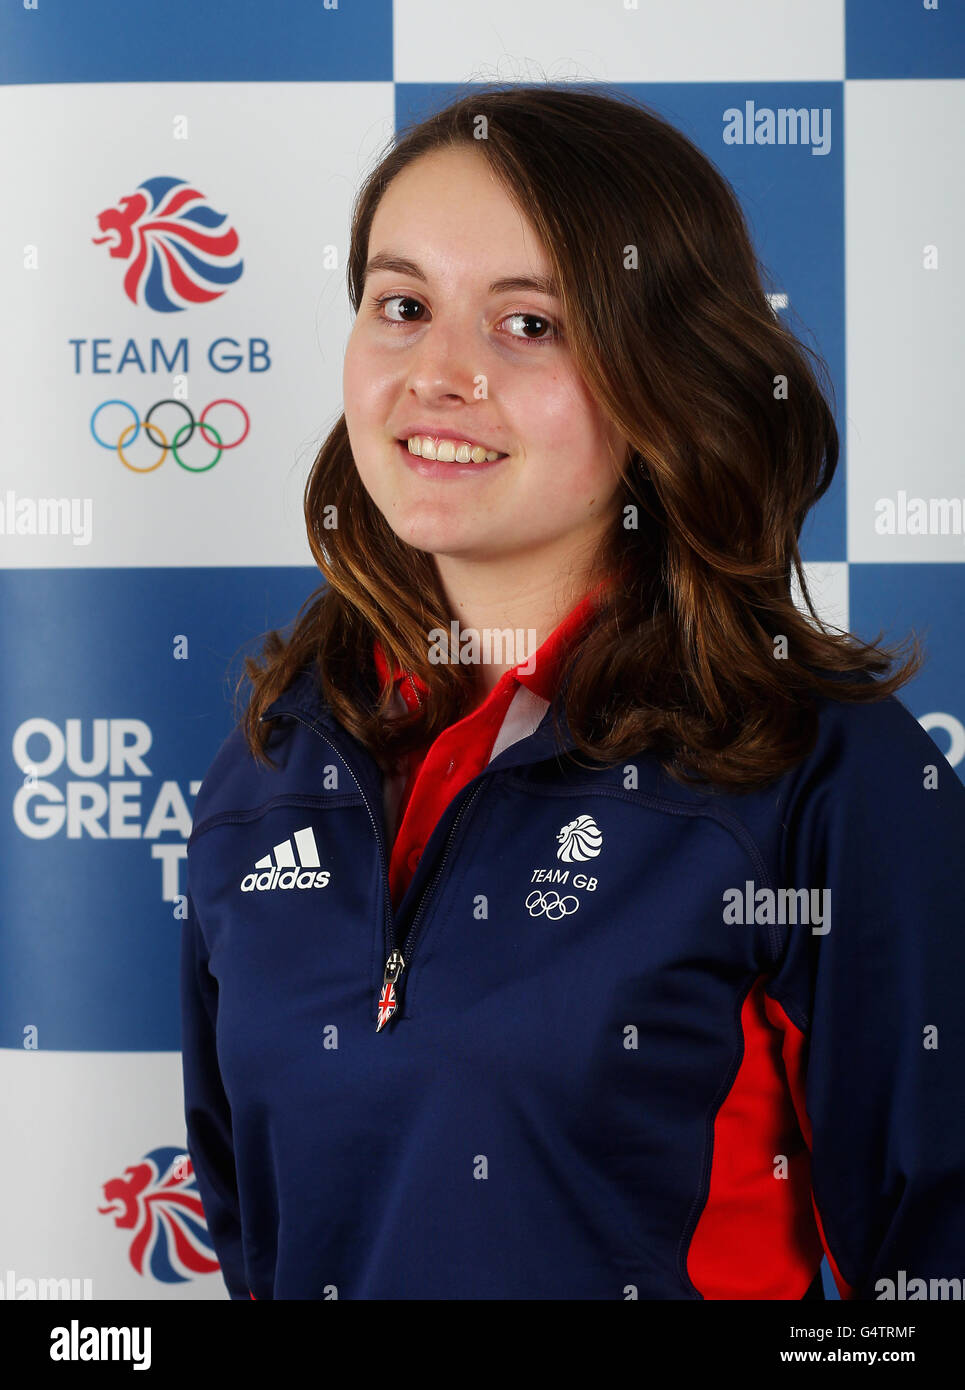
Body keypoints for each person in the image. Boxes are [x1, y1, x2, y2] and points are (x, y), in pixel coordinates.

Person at [179, 84, 965, 1301]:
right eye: (400, 306)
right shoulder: (270, 765)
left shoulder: (820, 768)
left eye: (529, 325)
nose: (438, 374)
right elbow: (255, 1244)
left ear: (662, 372)